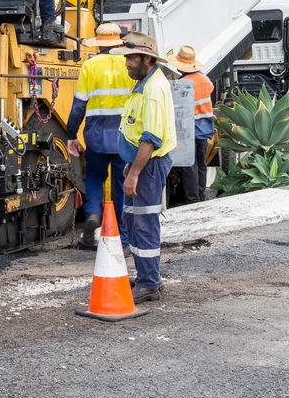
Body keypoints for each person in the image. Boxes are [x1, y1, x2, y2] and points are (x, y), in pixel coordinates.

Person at [116, 32, 176, 302]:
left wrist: (135, 173)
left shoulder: (152, 90)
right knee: (134, 218)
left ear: (147, 59)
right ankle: (145, 275)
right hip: (142, 163)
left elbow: (150, 138)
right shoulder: (146, 82)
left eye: (131, 58)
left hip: (148, 165)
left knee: (144, 223)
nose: (127, 63)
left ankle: (149, 283)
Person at [66, 22, 135, 249]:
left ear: (98, 44)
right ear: (119, 42)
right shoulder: (129, 64)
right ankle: (123, 238)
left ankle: (93, 214)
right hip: (124, 136)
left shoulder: (90, 66)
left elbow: (78, 106)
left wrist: (71, 134)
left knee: (95, 177)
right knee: (122, 185)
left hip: (96, 136)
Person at [168, 45, 215, 203]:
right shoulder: (205, 80)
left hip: (189, 131)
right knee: (201, 165)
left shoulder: (184, 83)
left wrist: (173, 84)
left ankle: (192, 199)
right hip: (204, 129)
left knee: (189, 165)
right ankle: (200, 195)